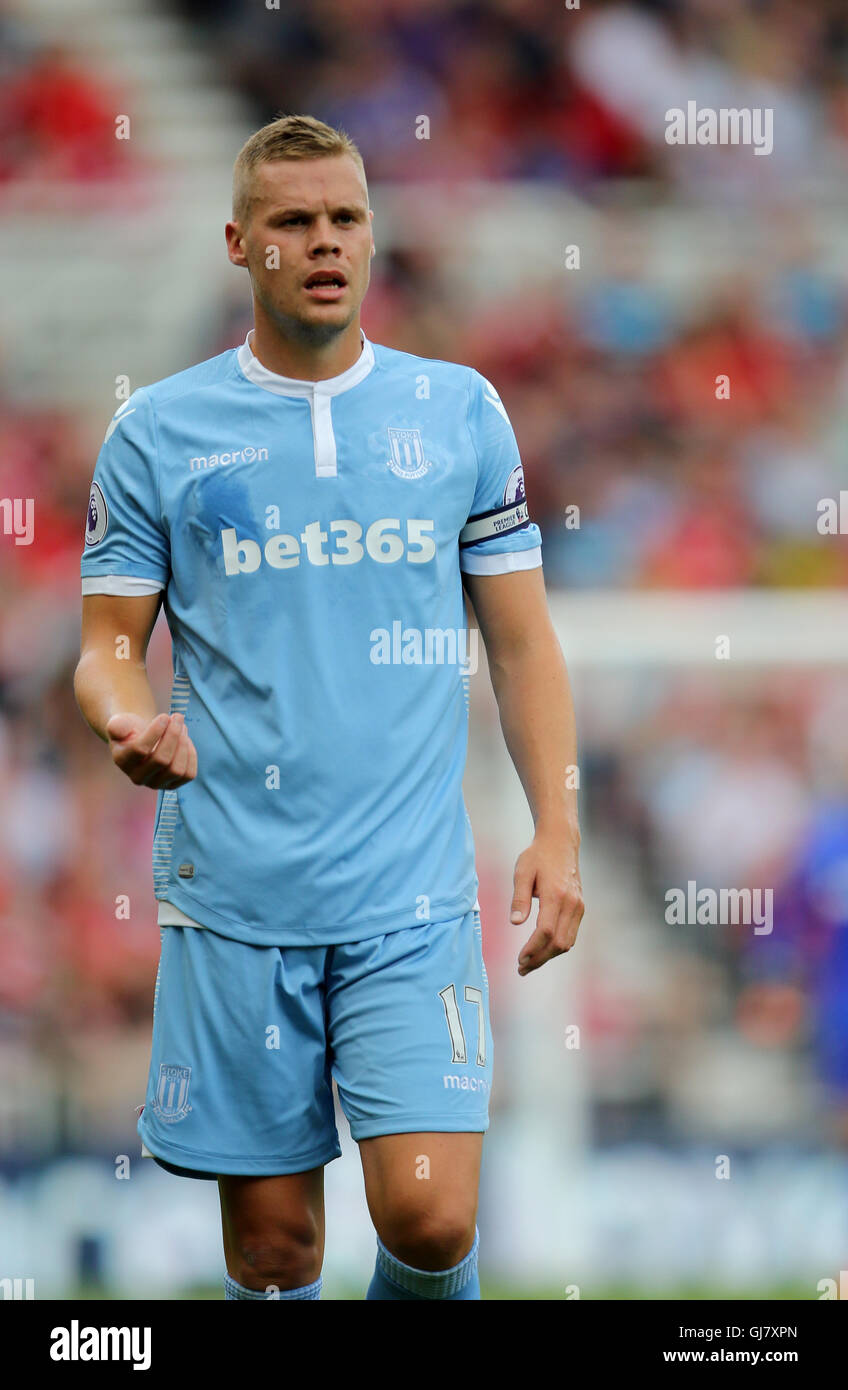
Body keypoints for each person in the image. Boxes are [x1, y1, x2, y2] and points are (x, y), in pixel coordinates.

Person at [73, 113, 584, 1301]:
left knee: (429, 1219)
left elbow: (521, 644)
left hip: (407, 896)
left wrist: (555, 829)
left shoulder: (457, 413)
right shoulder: (158, 431)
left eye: (344, 218)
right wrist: (123, 721)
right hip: (236, 897)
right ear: (240, 243)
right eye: (293, 221)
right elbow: (105, 647)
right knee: (274, 1253)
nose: (323, 241)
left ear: (372, 235)